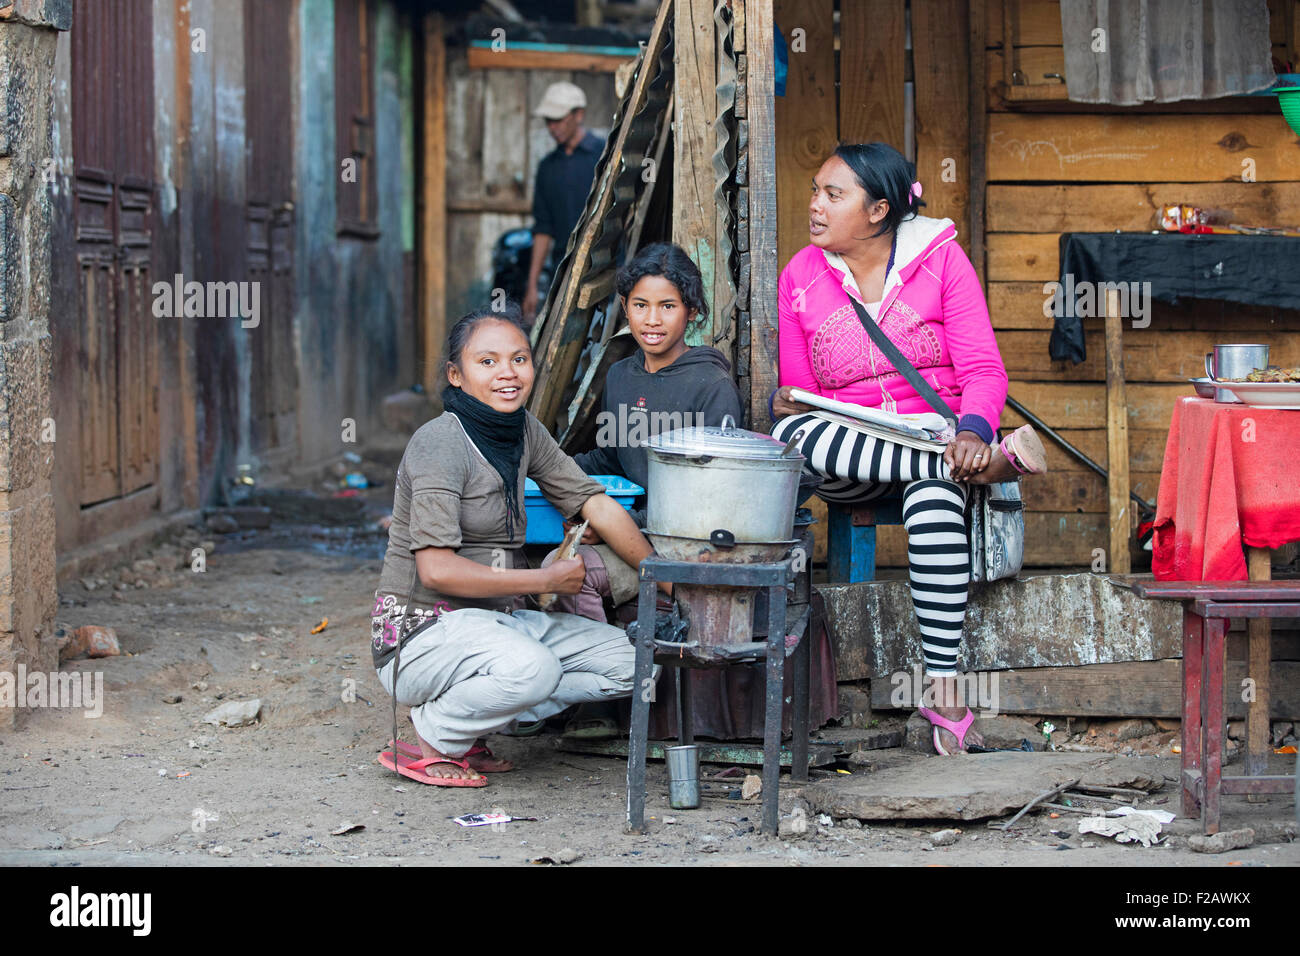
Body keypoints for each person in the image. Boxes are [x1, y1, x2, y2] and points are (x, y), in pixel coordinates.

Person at [769, 142, 1047, 755]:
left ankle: (941, 683)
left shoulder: (941, 262)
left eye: (832, 194)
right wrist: (793, 404)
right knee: (789, 434)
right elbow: (799, 395)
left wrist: (973, 430)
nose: (814, 205)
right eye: (816, 190)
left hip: (940, 439)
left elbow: (983, 368)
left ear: (879, 210)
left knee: (935, 501)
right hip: (853, 460)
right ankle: (968, 468)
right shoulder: (800, 275)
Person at [371, 303, 662, 786]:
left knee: (635, 661)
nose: (507, 373)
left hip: (492, 626)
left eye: (519, 359)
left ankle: (474, 729)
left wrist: (664, 579)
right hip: (418, 635)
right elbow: (436, 571)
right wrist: (544, 579)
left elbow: (597, 504)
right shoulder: (440, 443)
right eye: (487, 362)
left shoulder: (524, 430)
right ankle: (435, 733)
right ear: (456, 375)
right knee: (535, 669)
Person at [523, 82, 605, 323]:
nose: (552, 127)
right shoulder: (547, 167)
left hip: (604, 271)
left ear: (578, 115)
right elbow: (543, 228)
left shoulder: (605, 154)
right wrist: (532, 286)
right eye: (548, 120)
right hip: (561, 275)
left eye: (558, 119)